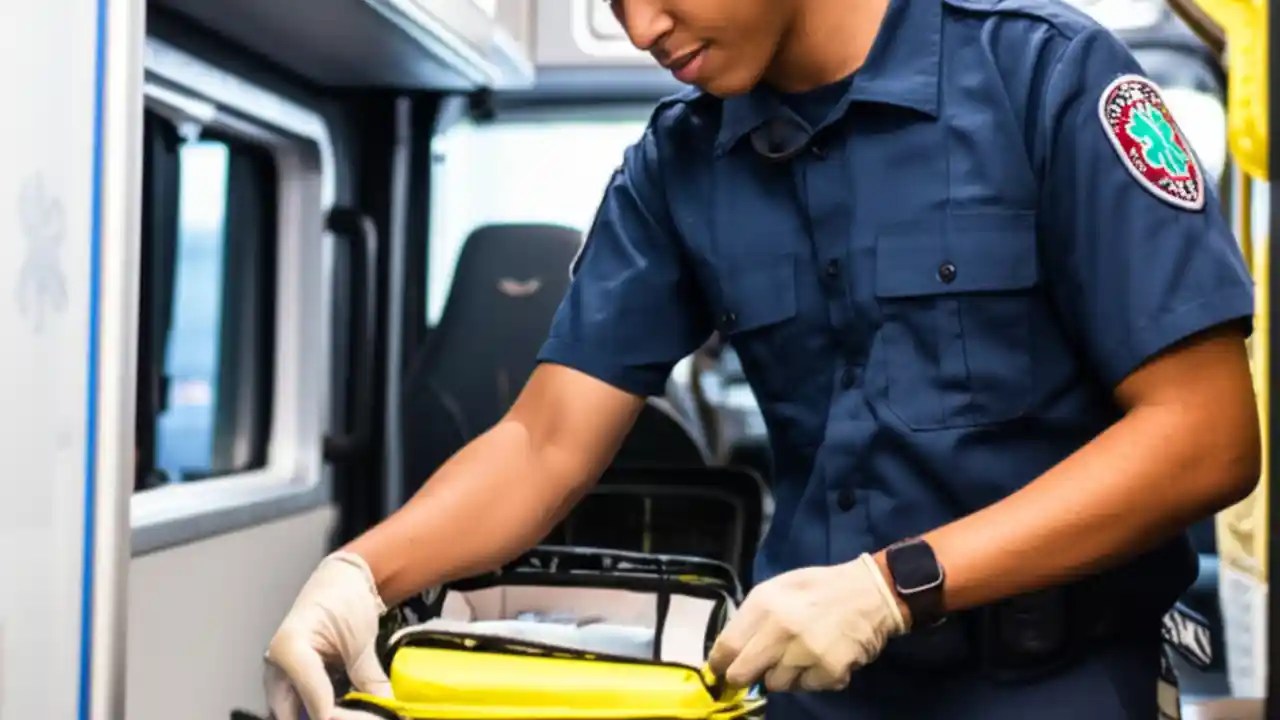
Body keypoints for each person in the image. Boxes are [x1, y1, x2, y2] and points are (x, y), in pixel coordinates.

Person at [263, 0, 1261, 717]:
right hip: (809, 689)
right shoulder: (673, 167)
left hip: (1060, 686)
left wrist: (889, 586)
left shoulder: (1044, 76)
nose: (639, 27)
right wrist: (359, 573)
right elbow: (542, 441)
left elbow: (1204, 438)